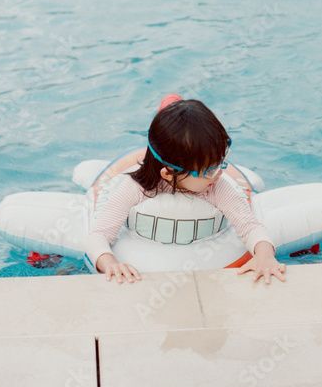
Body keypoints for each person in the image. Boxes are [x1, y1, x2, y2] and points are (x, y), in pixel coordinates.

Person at [86, 97, 286, 285]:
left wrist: (264, 256)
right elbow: (99, 234)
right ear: (168, 174)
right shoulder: (135, 188)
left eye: (222, 161)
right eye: (209, 170)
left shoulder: (217, 186)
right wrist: (110, 263)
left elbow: (249, 226)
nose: (219, 173)